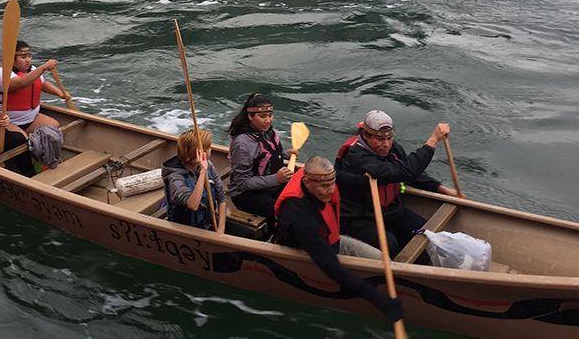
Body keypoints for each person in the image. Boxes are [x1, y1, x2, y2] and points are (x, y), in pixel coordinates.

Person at [274, 156, 402, 324]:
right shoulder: (297, 213)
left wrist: (375, 171)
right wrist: (377, 300)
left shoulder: (322, 178)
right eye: (324, 187)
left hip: (331, 240)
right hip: (302, 250)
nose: (331, 190)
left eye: (332, 184)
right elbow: (328, 263)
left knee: (382, 260)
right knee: (343, 270)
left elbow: (353, 181)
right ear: (307, 183)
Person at [334, 110, 460, 256]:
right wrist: (433, 140)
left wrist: (440, 188)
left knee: (423, 232)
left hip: (389, 211)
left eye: (389, 138)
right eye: (380, 140)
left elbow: (410, 172)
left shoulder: (390, 148)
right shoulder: (356, 156)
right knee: (390, 245)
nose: (386, 144)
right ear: (366, 136)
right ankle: (393, 273)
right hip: (359, 216)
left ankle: (425, 267)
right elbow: (405, 171)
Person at [227, 94, 291, 235]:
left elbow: (267, 152)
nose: (268, 120)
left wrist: (286, 154)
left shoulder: (267, 131)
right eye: (262, 116)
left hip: (270, 185)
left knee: (297, 199)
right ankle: (273, 240)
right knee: (278, 210)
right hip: (246, 194)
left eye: (270, 115)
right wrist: (276, 179)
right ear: (250, 116)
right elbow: (242, 182)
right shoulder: (242, 144)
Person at [0, 40, 68, 135]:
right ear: (12, 59)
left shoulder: (33, 70)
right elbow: (21, 83)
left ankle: (28, 135)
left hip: (32, 119)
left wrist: (60, 93)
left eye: (29, 56)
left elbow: (43, 84)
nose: (28, 60)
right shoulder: (2, 74)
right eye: (23, 57)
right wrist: (43, 67)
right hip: (9, 122)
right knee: (21, 139)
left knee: (54, 126)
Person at [162, 128, 227, 232]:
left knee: (245, 233)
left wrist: (221, 229)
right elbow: (193, 205)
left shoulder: (208, 165)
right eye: (208, 148)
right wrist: (202, 173)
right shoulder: (175, 176)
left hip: (207, 223)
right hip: (184, 229)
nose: (211, 150)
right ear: (197, 154)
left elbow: (222, 197)